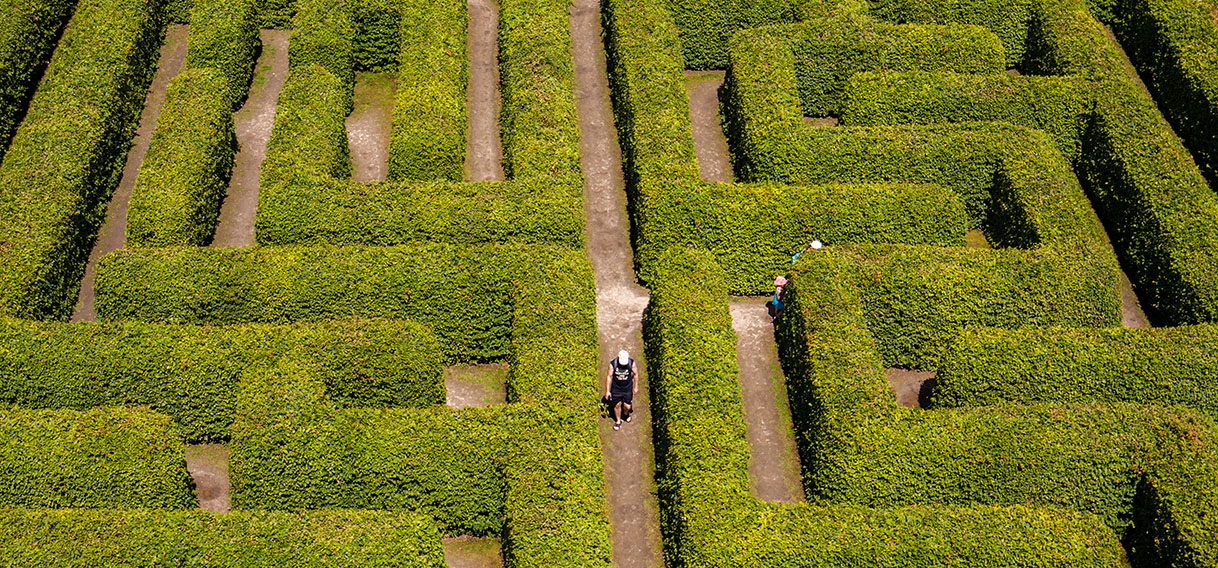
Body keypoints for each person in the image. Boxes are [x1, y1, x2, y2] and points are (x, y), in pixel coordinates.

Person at [604, 350, 638, 431]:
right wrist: (608, 391)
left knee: (627, 406)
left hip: (627, 388)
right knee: (617, 405)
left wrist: (636, 386)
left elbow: (636, 374)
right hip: (616, 388)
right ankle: (618, 421)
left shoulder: (631, 363)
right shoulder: (613, 364)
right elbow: (609, 376)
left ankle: (625, 414)